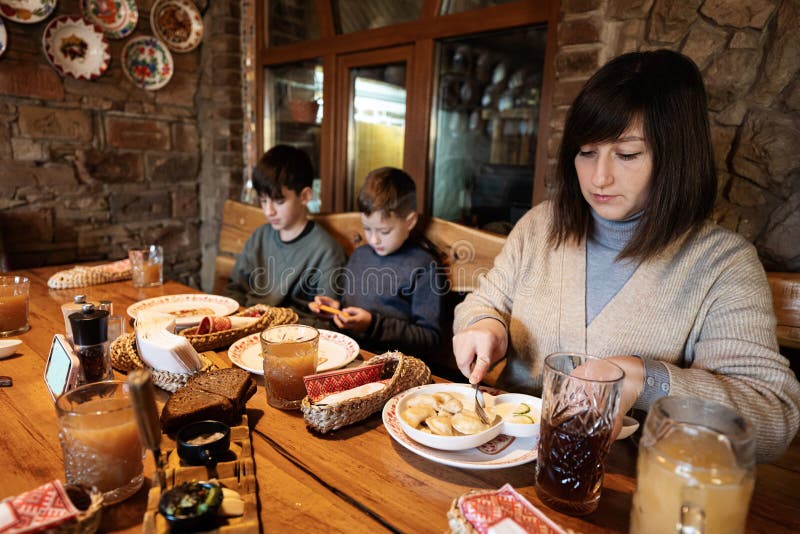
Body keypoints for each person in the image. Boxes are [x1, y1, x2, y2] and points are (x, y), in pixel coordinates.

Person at [452, 50, 800, 462]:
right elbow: (484, 302)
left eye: (628, 154)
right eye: (586, 151)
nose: (599, 177)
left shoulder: (721, 264)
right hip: (505, 460)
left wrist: (644, 380)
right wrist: (485, 324)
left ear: (675, 155)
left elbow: (772, 417)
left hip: (630, 481)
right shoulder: (541, 226)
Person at [310, 167, 444, 357]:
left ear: (410, 221)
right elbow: (350, 307)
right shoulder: (360, 256)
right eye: (367, 228)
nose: (373, 240)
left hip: (394, 363)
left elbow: (429, 339)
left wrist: (373, 325)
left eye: (384, 231)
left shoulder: (423, 266)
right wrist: (335, 311)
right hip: (349, 353)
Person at [225, 145, 346, 311]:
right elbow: (235, 288)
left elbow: (327, 314)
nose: (269, 211)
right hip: (249, 319)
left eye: (279, 201)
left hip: (294, 325)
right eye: (263, 201)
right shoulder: (260, 236)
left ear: (305, 196)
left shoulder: (326, 251)